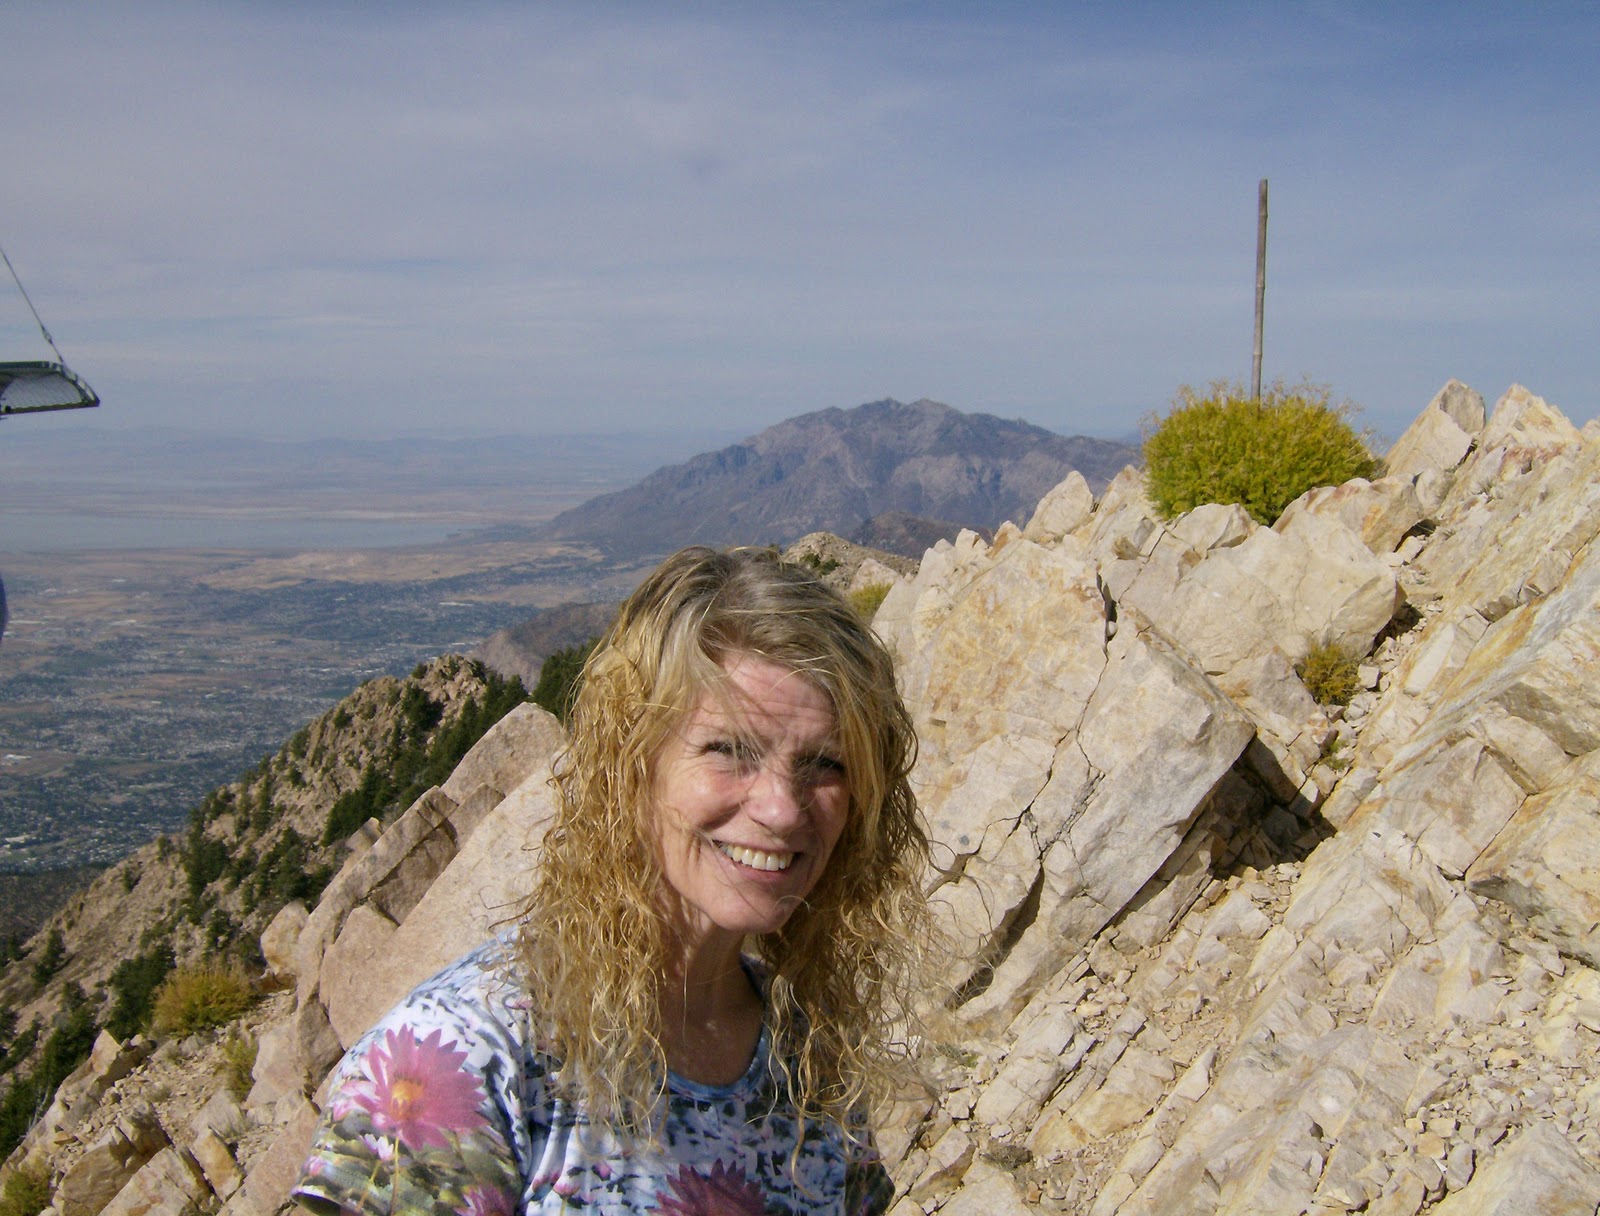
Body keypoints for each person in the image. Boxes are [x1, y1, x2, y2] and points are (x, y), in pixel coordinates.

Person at [293, 546, 935, 1216]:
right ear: (631, 764)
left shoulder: (808, 1061)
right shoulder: (458, 1056)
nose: (782, 808)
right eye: (728, 749)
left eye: (826, 763)